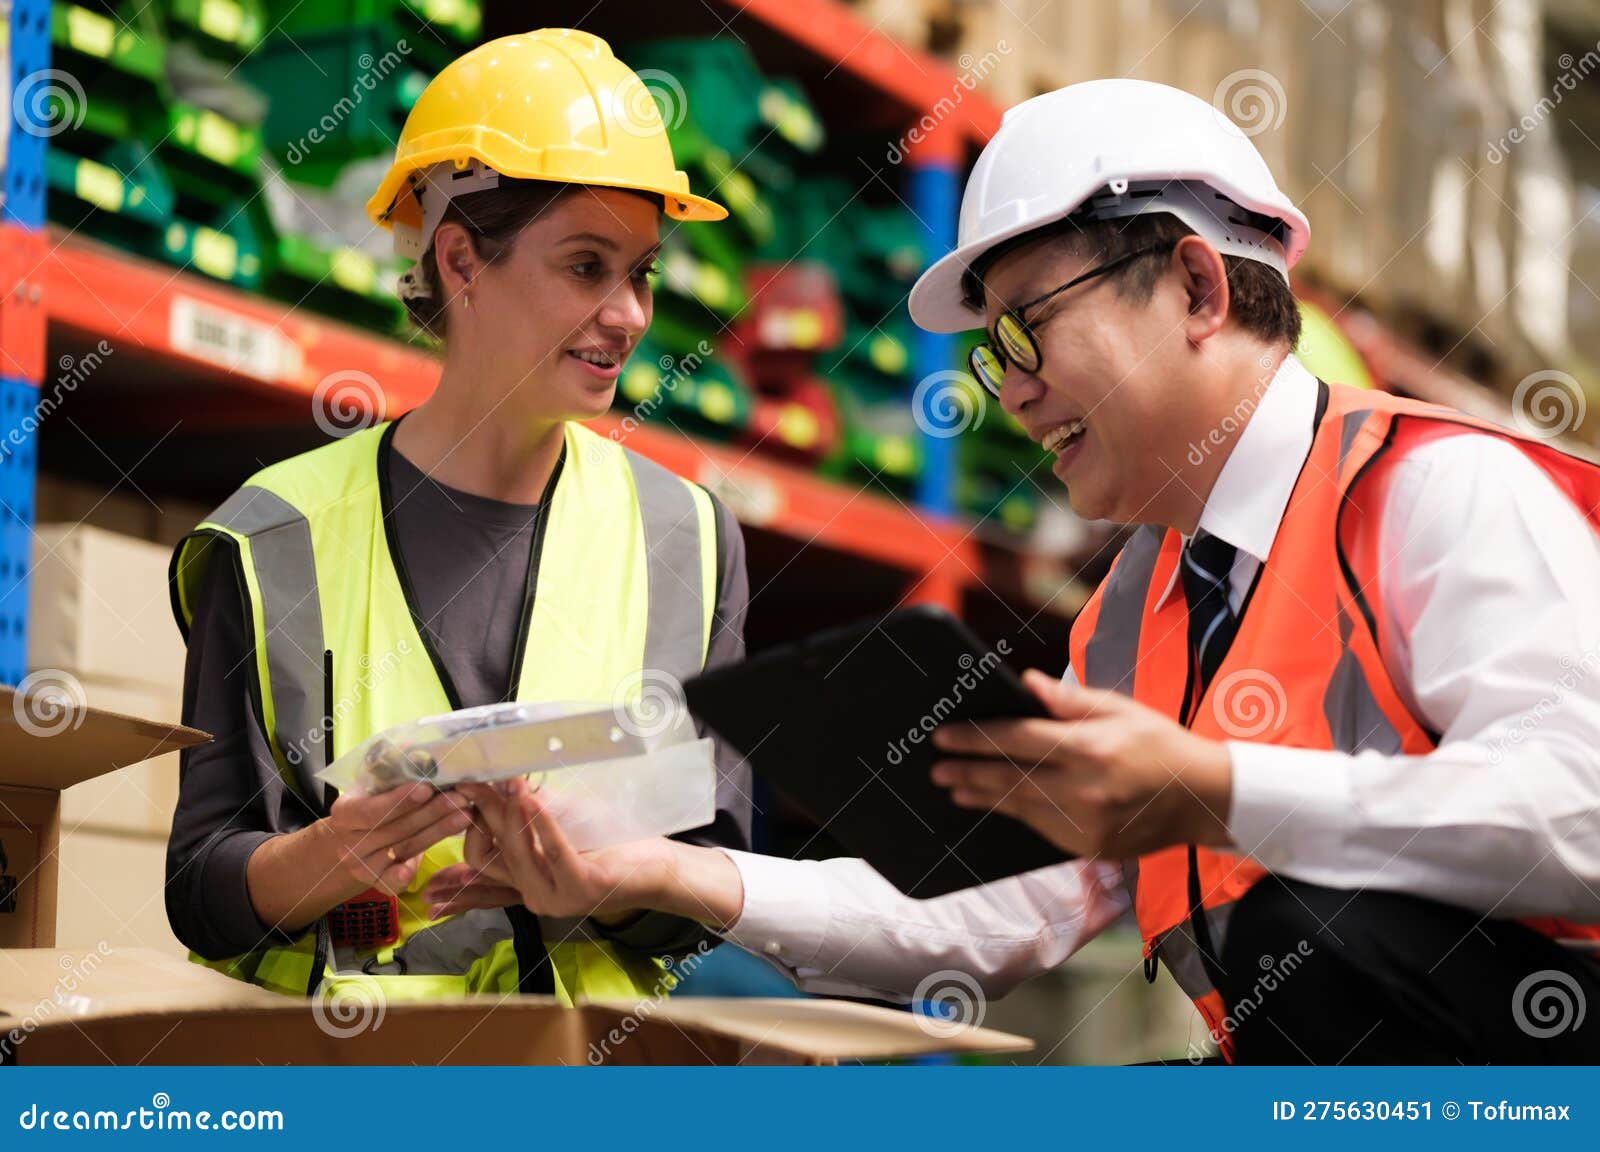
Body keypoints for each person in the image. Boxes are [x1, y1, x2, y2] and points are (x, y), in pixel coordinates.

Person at [437, 78, 1600, 1064]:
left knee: (1303, 922)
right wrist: (662, 875)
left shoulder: (1437, 492)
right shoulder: (1132, 615)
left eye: (1027, 328)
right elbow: (1001, 910)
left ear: (1195, 286)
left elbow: (1583, 815)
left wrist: (1220, 788)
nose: (1011, 389)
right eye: (991, 353)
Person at [164, 28, 751, 1004]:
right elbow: (199, 882)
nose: (631, 315)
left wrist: (597, 886)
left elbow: (717, 864)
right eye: (586, 266)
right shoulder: (273, 538)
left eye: (642, 270)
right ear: (462, 259)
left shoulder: (686, 538)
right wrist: (326, 858)